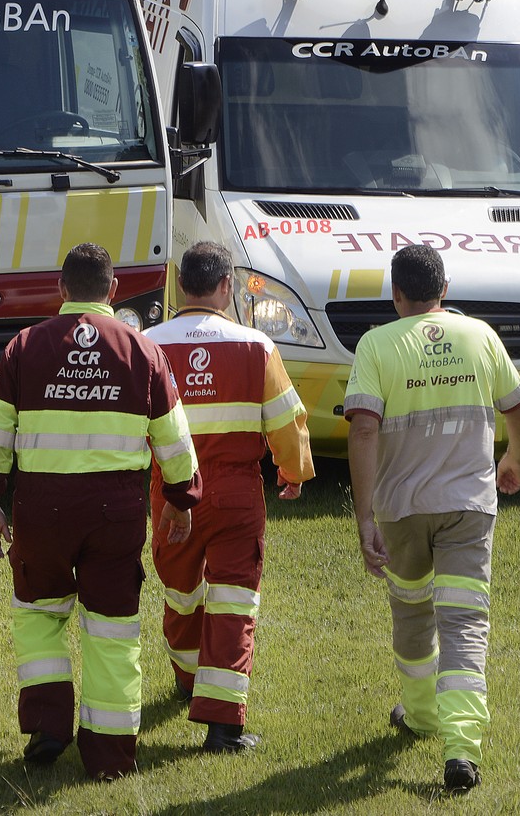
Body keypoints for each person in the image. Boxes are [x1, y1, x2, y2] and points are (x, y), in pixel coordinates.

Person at [0, 242, 201, 781]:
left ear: (61, 290)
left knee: (39, 614)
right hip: (114, 513)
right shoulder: (143, 350)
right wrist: (183, 499)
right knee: (113, 631)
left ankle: (50, 727)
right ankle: (111, 756)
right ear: (113, 291)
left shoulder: (25, 346)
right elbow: (174, 438)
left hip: (40, 510)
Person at [344, 244, 520, 795]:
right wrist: (515, 458)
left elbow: (362, 431)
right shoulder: (480, 336)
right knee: (464, 623)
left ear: (396, 295)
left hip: (401, 511)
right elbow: (519, 412)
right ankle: (461, 748)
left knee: (411, 613)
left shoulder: (376, 345)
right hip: (468, 508)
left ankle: (423, 715)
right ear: (444, 289)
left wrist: (364, 518)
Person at [142, 240, 315, 753]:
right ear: (225, 288)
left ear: (178, 287)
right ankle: (223, 726)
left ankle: (188, 677)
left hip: (171, 489)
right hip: (238, 490)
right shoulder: (256, 345)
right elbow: (287, 419)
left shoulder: (147, 343)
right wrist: (293, 471)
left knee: (179, 590)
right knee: (234, 601)